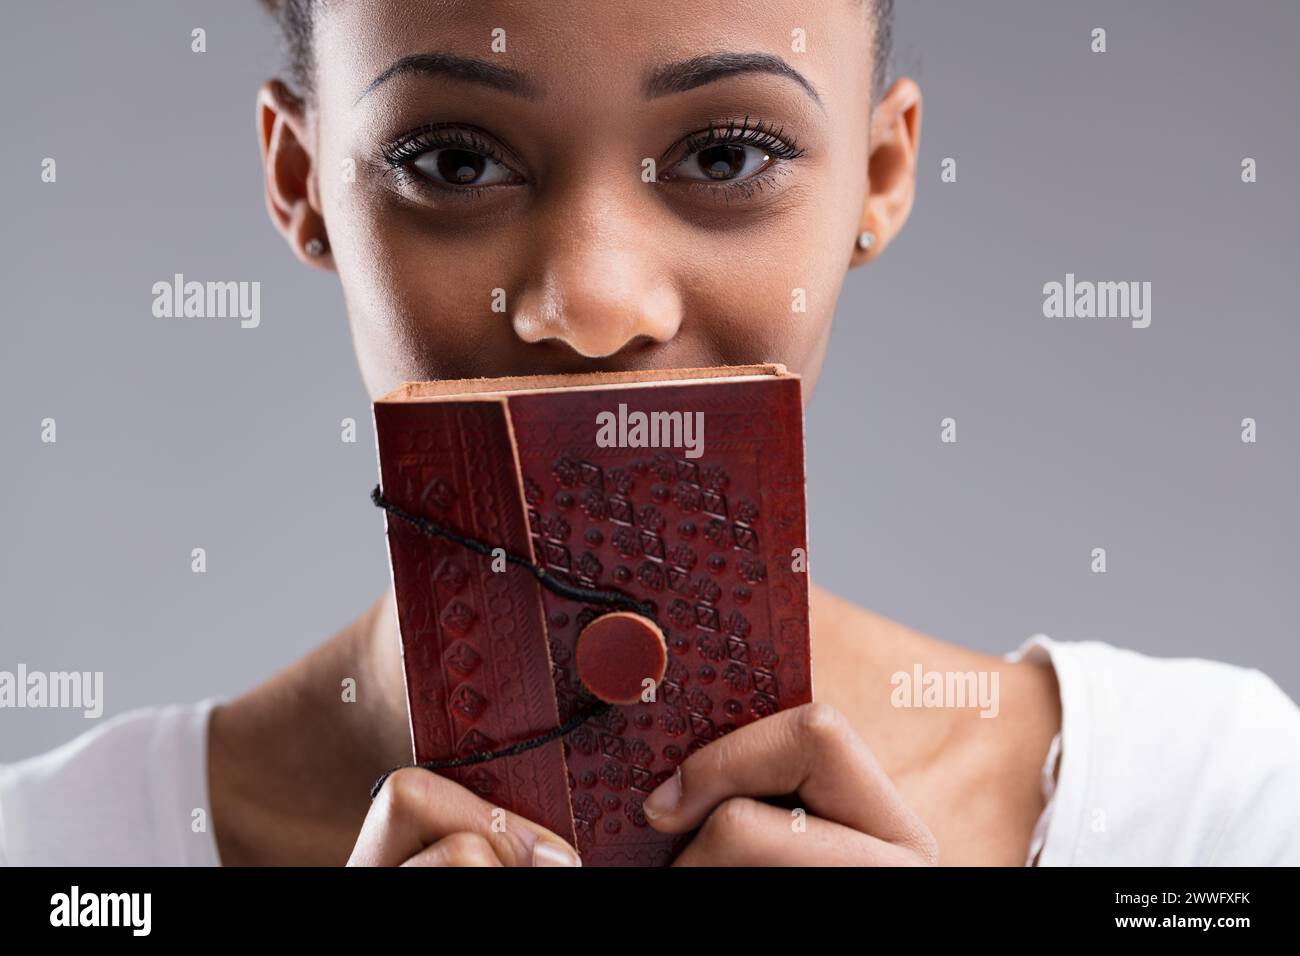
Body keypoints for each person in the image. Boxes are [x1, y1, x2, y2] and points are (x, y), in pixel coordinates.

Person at [3, 0, 1298, 867]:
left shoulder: (1207, 808)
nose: (594, 305)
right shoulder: (62, 851)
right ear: (302, 186)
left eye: (726, 156)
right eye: (454, 161)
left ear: (881, 177)